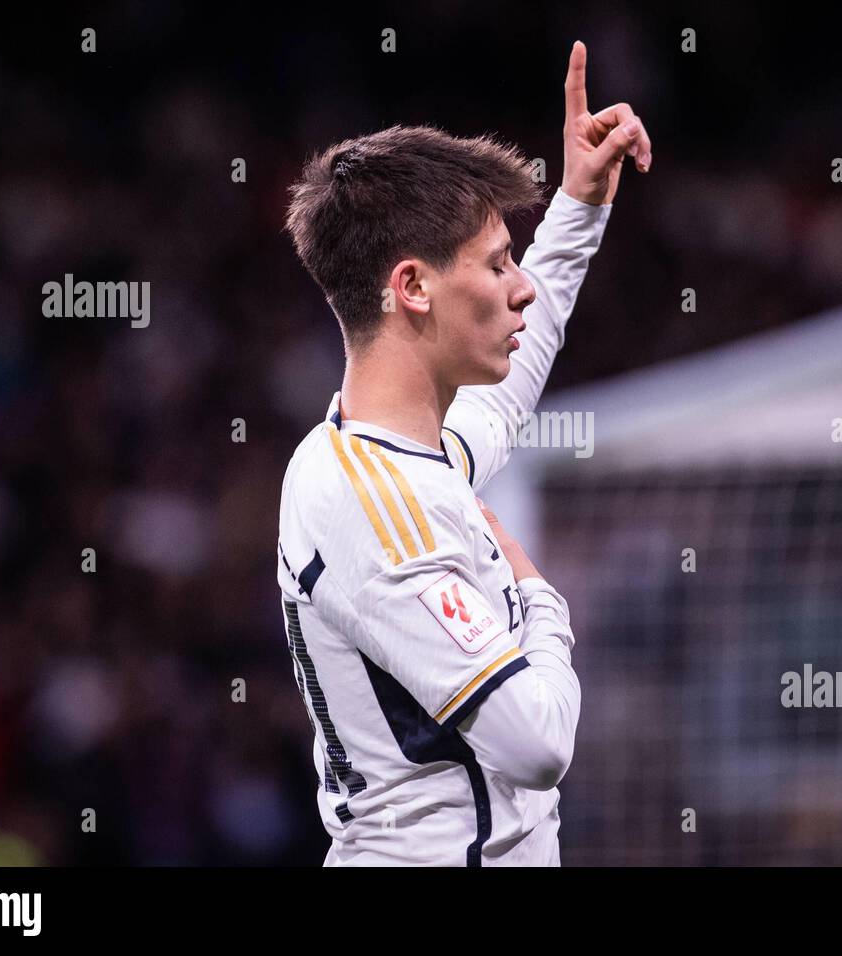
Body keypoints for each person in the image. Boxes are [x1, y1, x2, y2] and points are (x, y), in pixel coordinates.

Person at [277, 41, 651, 865]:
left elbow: (510, 383)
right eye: (497, 263)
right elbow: (537, 742)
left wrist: (581, 204)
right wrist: (538, 595)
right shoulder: (367, 500)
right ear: (412, 287)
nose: (520, 286)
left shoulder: (405, 452)